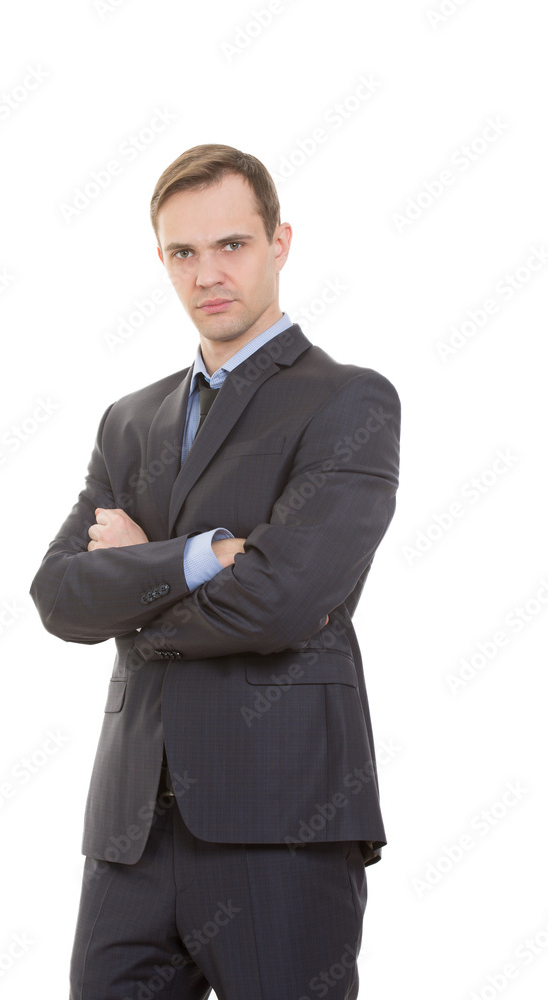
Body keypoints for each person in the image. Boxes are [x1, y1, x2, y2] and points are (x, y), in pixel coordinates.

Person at [30, 143, 401, 1000]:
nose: (208, 273)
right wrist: (206, 556)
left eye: (231, 244)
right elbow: (58, 596)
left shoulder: (348, 401)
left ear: (280, 242)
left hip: (281, 823)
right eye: (182, 253)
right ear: (160, 261)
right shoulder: (128, 421)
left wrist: (136, 585)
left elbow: (279, 602)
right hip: (129, 834)